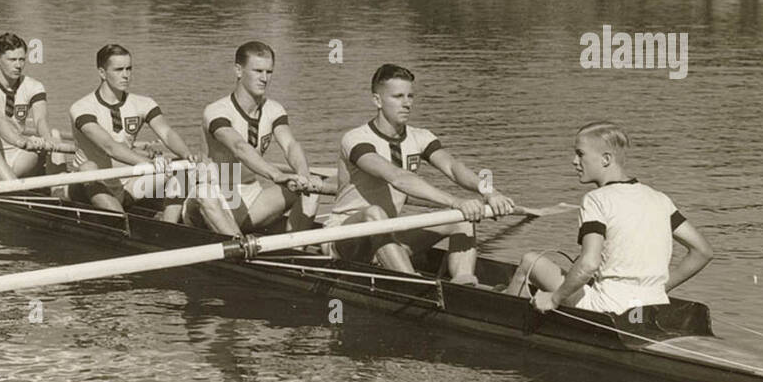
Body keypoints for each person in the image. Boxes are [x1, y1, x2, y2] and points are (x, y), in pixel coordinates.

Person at [326, 63, 516, 282]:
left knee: (462, 220)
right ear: (377, 100)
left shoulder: (420, 137)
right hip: (344, 239)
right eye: (398, 96)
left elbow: (453, 168)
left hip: (387, 234)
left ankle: (463, 285)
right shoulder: (356, 139)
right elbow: (398, 178)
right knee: (374, 213)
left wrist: (490, 192)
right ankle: (413, 287)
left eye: (410, 96)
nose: (407, 103)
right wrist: (455, 201)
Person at [505, 122, 713, 314]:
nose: (574, 162)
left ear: (606, 159)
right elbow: (702, 252)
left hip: (607, 307)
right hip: (653, 304)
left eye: (580, 154)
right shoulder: (659, 198)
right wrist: (659, 288)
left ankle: (506, 318)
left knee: (530, 261)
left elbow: (588, 263)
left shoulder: (596, 200)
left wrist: (554, 299)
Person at [67, 43, 234, 232]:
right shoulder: (81, 107)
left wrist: (188, 155)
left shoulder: (143, 103)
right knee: (89, 168)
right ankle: (120, 224)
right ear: (102, 73)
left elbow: (166, 133)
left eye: (129, 69)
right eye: (119, 69)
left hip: (125, 186)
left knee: (180, 168)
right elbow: (110, 147)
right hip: (88, 187)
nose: (126, 75)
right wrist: (148, 163)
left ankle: (167, 230)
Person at [191, 40, 319, 232]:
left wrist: (303, 174)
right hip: (215, 195)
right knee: (205, 194)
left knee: (312, 188)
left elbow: (290, 145)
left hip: (251, 197)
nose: (264, 78)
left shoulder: (274, 109)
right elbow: (239, 147)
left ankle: (294, 252)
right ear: (238, 71)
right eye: (257, 71)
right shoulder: (216, 111)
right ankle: (239, 254)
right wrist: (276, 175)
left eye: (269, 72)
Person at [0, 32, 59, 180]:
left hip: (17, 157)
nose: (18, 65)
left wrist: (47, 139)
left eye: (22, 59)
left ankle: (59, 190)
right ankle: (15, 192)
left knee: (54, 135)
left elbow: (41, 120)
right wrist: (21, 141)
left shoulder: (34, 86)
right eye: (12, 60)